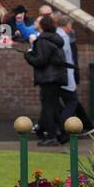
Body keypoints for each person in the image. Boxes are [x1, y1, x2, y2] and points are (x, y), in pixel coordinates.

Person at [26, 14, 71, 145]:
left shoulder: (42, 41)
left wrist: (28, 54)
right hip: (57, 77)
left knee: (49, 108)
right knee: (55, 107)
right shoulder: (55, 39)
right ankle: (62, 133)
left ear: (42, 26)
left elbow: (40, 61)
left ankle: (51, 136)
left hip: (48, 78)